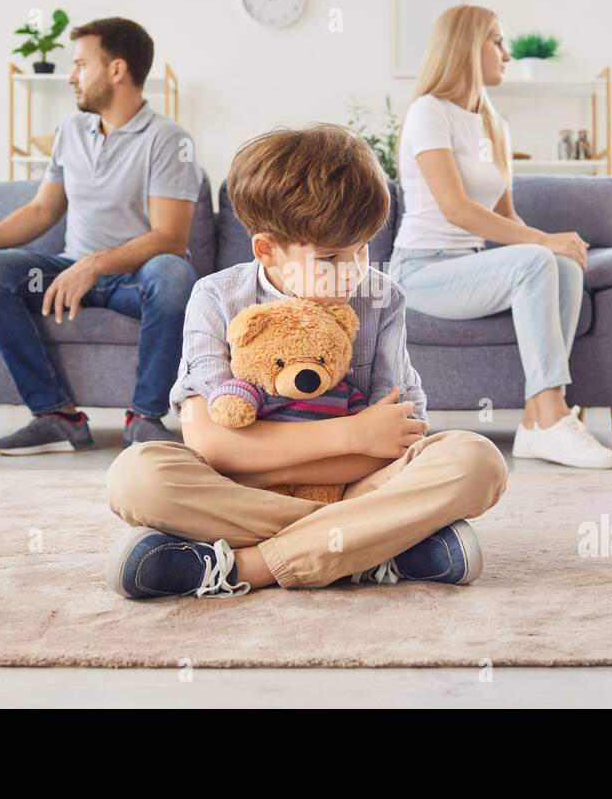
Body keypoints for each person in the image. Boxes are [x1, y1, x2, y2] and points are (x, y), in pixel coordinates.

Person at [102, 124, 509, 599]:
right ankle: (381, 545)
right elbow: (211, 444)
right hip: (242, 490)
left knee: (476, 461)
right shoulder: (216, 297)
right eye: (331, 257)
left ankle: (245, 567)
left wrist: (262, 457)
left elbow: (399, 439)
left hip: (340, 489)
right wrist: (351, 435)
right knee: (136, 477)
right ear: (267, 249)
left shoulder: (382, 299)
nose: (354, 272)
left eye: (363, 250)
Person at [0, 18, 199, 454]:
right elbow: (41, 210)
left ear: (116, 70)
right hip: (68, 270)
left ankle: (144, 420)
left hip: (133, 280)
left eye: (80, 64)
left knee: (174, 274)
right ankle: (57, 416)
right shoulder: (71, 131)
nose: (72, 76)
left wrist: (93, 266)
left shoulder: (168, 139)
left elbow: (169, 236)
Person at [387, 4, 612, 469]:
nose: (507, 54)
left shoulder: (494, 124)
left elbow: (506, 217)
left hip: (469, 265)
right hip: (420, 269)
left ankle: (539, 419)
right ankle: (552, 416)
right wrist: (542, 240)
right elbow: (455, 208)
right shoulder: (427, 112)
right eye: (496, 41)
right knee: (540, 256)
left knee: (562, 262)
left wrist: (549, 245)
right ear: (466, 47)